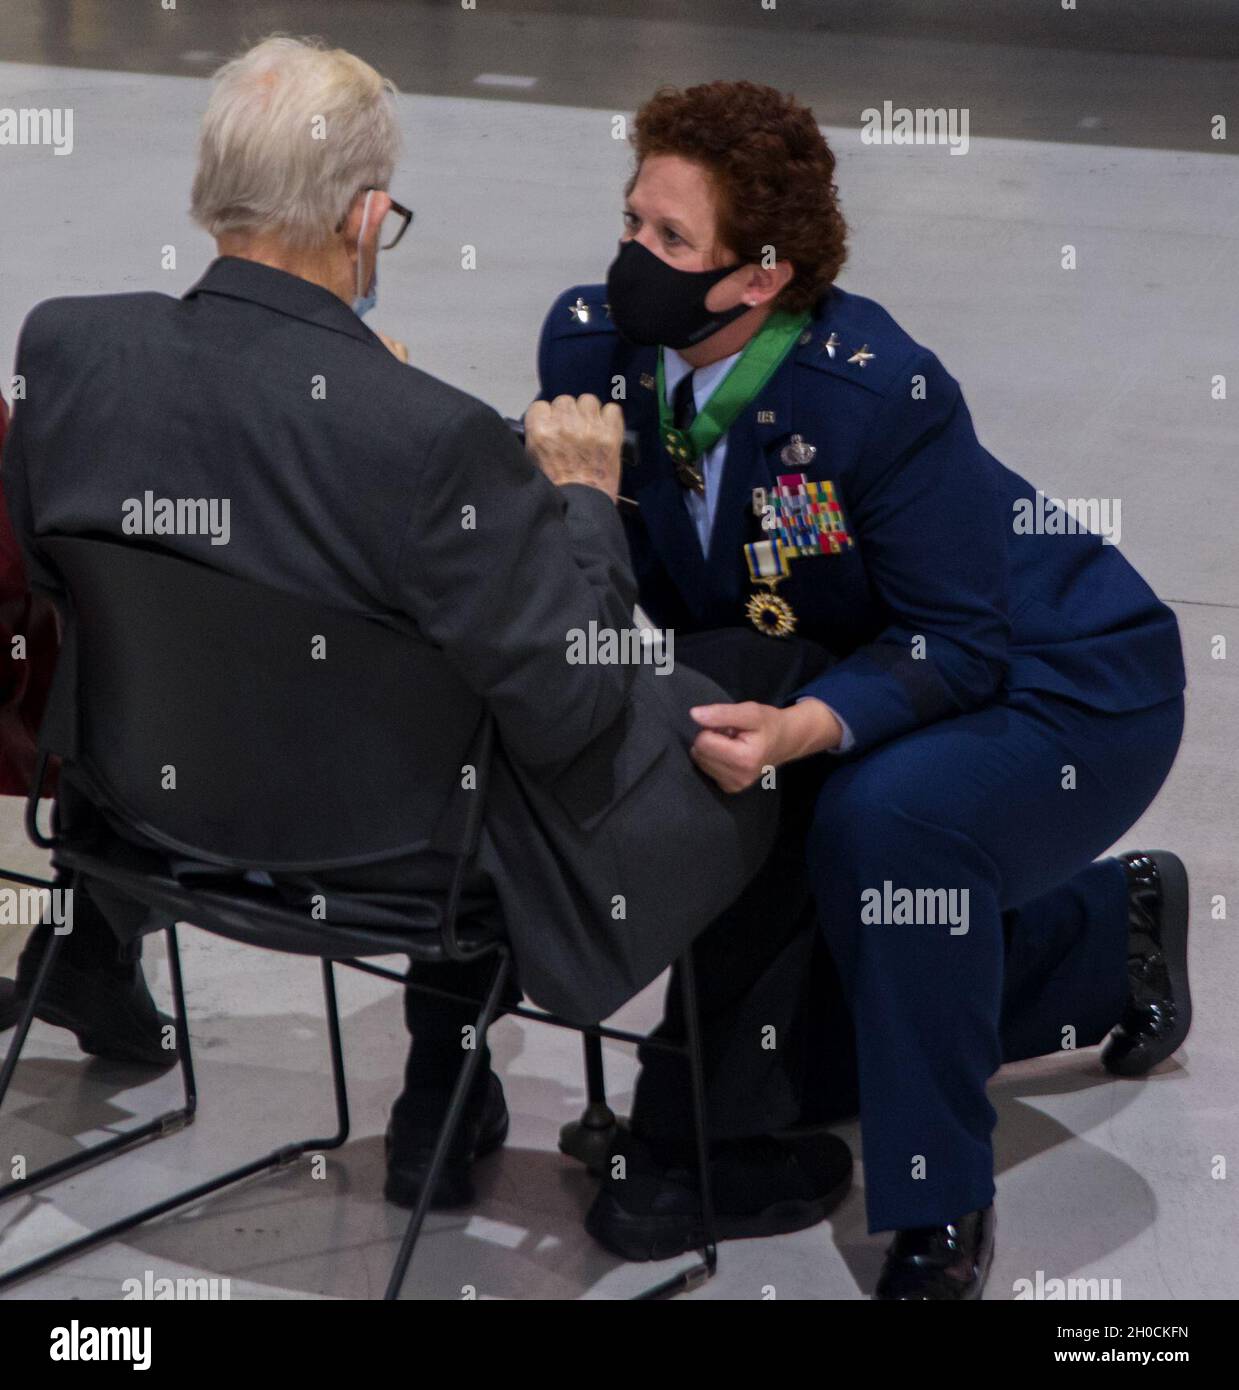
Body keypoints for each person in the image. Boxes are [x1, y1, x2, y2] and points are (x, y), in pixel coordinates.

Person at [0, 40, 785, 1213]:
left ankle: (109, 958)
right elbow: (572, 701)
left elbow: (67, 580)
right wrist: (579, 502)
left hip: (137, 813)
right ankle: (541, 1104)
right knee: (734, 753)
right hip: (392, 865)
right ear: (365, 219)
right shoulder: (433, 441)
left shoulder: (65, 351)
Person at [533, 80, 1189, 1299]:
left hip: (1057, 673)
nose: (633, 260)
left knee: (881, 825)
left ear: (761, 276)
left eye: (672, 241)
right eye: (631, 222)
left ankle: (941, 1203)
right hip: (850, 646)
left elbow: (959, 639)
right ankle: (1114, 939)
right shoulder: (594, 347)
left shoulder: (877, 394)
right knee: (831, 1046)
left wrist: (812, 725)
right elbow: (667, 587)